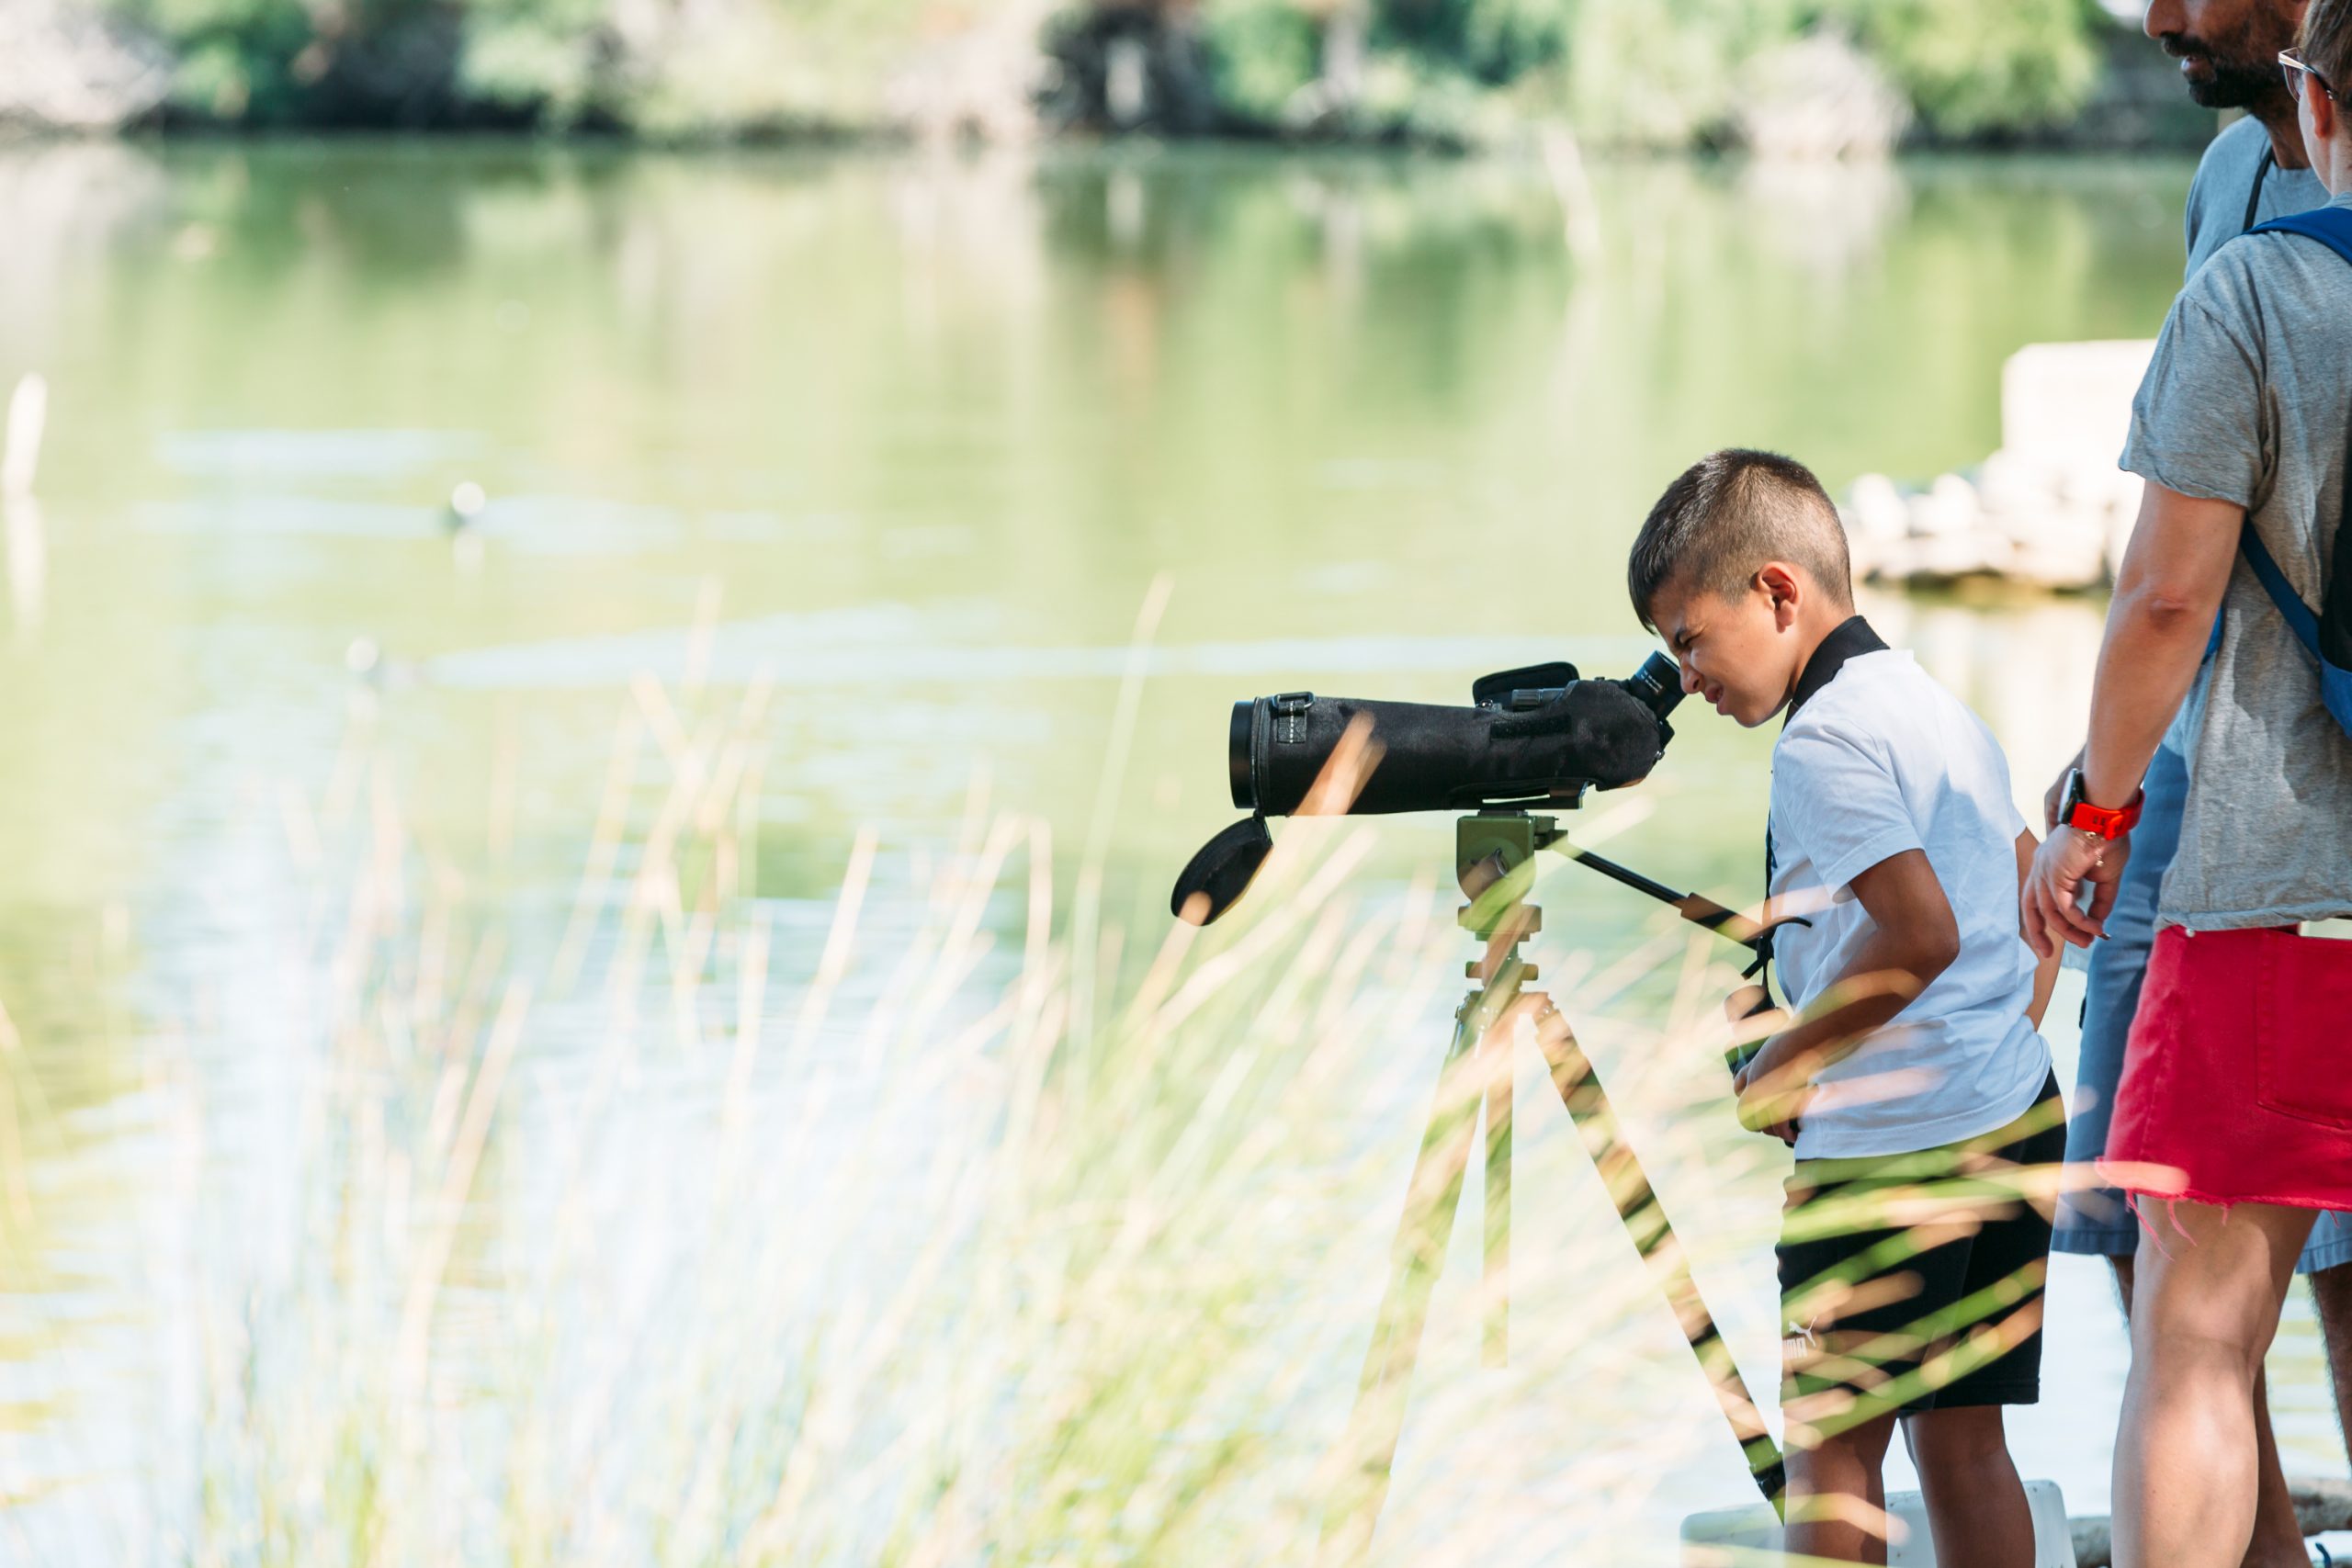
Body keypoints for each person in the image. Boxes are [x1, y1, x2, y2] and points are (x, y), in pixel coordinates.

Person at [2021, 0, 2352, 1559]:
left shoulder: (2256, 295)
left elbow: (2166, 592)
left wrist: (2095, 798)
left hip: (2280, 876)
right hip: (2230, 856)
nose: (2162, 16)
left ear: (2318, 82)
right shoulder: (2227, 185)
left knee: (2197, 1328)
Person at [1630, 449, 2064, 1567]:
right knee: (1965, 1448)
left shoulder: (1819, 742)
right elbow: (2028, 893)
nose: (1684, 675)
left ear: (1776, 593)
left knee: (1833, 1459)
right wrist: (1998, 1038)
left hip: (1887, 1162)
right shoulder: (1925, 700)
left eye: (1688, 639)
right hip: (2011, 1120)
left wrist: (1788, 1063)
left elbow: (1918, 930)